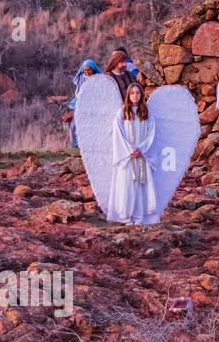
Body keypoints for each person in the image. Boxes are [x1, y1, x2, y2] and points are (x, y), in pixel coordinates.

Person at [108, 82, 158, 225]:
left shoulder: (146, 113)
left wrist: (141, 149)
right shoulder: (122, 113)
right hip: (128, 156)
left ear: (141, 95)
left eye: (138, 92)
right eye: (132, 93)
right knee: (128, 185)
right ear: (128, 95)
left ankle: (140, 217)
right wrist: (130, 150)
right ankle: (126, 216)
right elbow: (118, 134)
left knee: (141, 186)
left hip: (142, 155)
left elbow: (151, 134)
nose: (135, 95)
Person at [65, 59, 101, 147]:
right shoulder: (81, 78)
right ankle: (75, 145)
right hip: (80, 105)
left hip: (93, 106)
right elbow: (77, 92)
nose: (87, 72)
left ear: (93, 69)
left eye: (89, 70)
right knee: (73, 125)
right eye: (85, 70)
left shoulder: (98, 78)